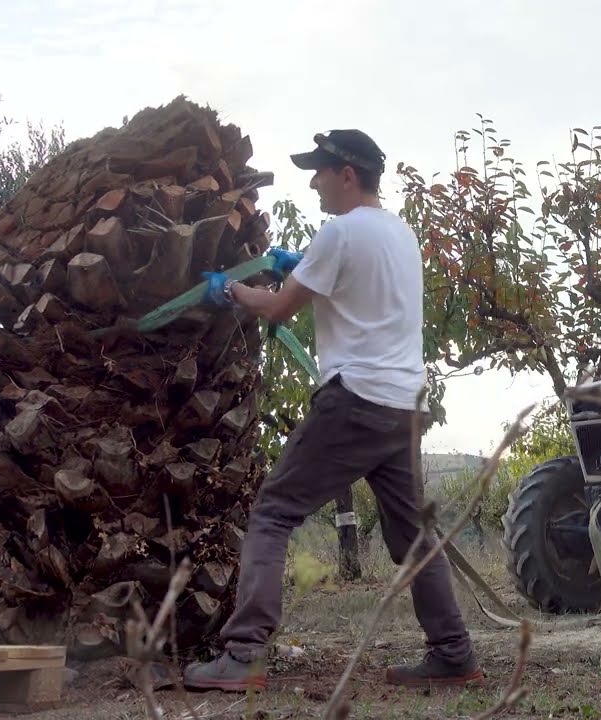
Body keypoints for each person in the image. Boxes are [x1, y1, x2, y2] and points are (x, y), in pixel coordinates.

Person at [182, 129, 483, 691]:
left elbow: (275, 309)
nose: (314, 180)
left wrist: (229, 291)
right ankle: (453, 653)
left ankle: (242, 654)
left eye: (320, 171)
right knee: (415, 536)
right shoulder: (400, 234)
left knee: (273, 512)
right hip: (402, 408)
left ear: (348, 175)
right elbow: (356, 293)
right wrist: (305, 270)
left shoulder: (339, 233)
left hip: (355, 401)